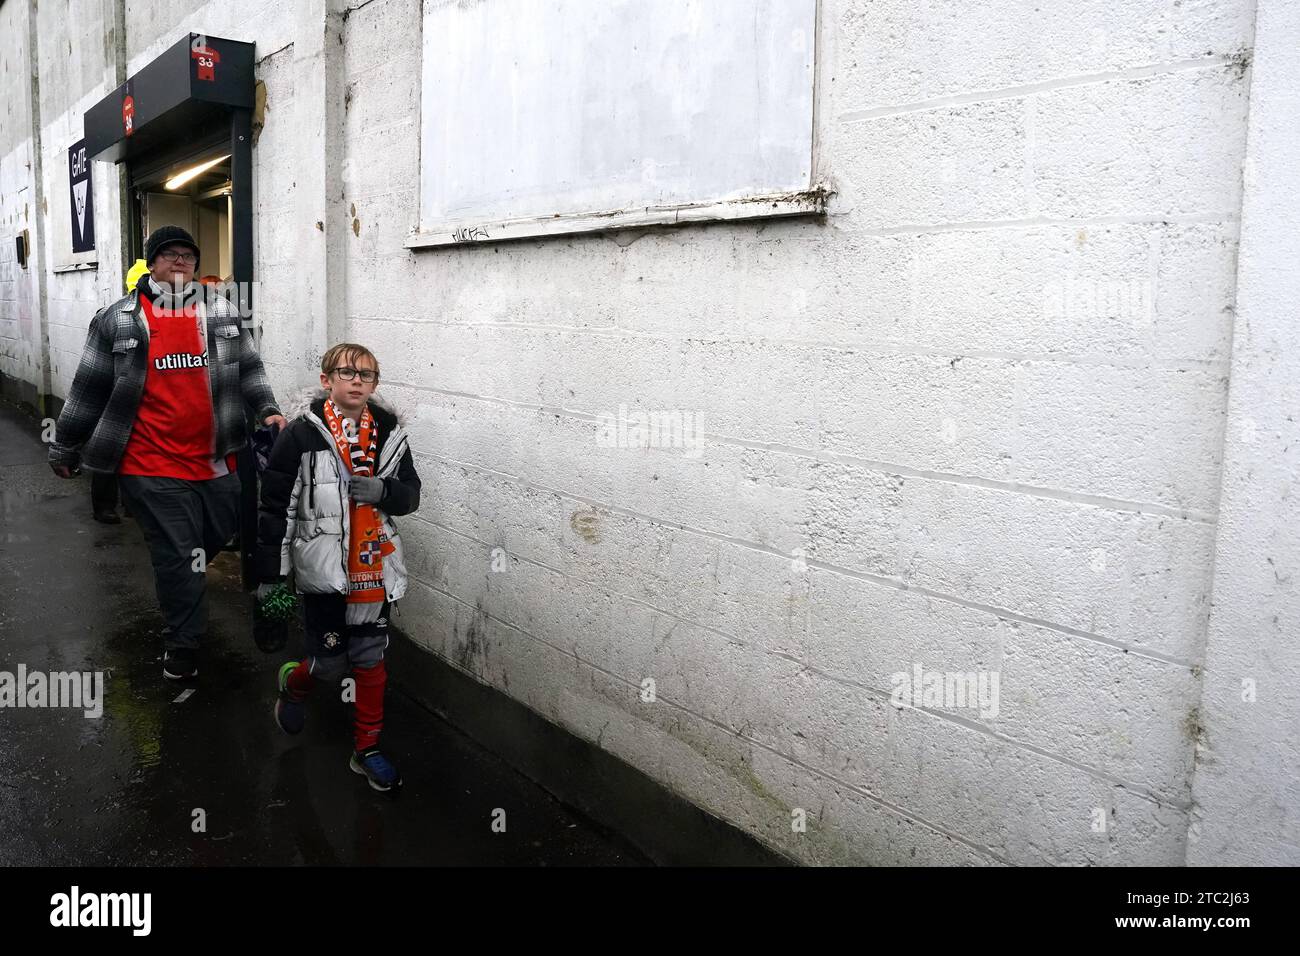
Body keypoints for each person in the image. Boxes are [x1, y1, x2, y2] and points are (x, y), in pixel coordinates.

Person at [48, 226, 286, 679]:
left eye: (188, 256)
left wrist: (269, 410)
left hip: (216, 459)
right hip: (148, 463)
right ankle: (183, 643)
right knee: (179, 555)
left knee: (210, 537)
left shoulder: (222, 312)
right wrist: (65, 444)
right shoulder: (119, 319)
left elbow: (249, 368)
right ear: (152, 263)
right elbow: (89, 387)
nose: (180, 262)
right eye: (169, 255)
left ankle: (181, 580)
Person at [256, 343, 420, 792]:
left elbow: (411, 495)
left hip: (374, 570)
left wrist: (384, 491)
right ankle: (295, 684)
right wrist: (271, 577)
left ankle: (366, 749)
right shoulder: (301, 436)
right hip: (323, 573)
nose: (356, 380)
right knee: (329, 664)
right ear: (327, 380)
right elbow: (276, 507)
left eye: (366, 375)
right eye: (346, 372)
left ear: (374, 385)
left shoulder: (390, 435)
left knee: (370, 660)